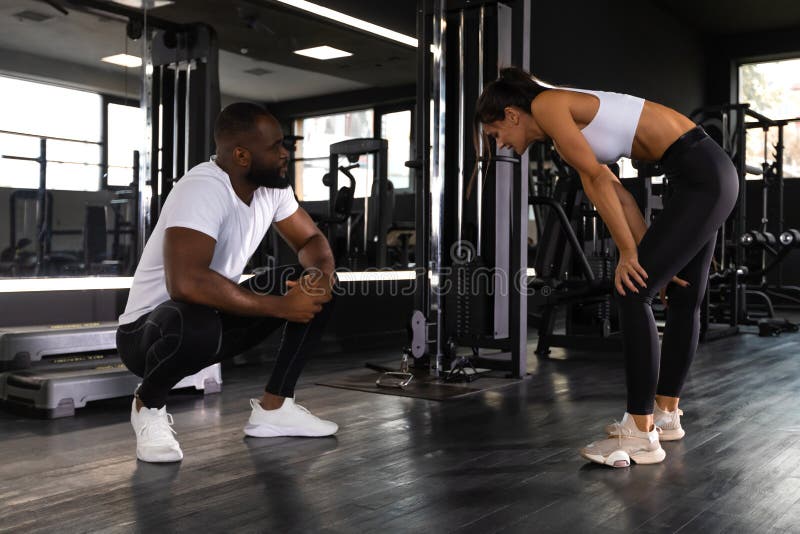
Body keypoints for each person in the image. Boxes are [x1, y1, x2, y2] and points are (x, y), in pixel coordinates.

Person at [474, 67, 738, 467]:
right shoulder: (563, 133)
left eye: (496, 134)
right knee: (681, 294)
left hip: (703, 176)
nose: (503, 144)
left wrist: (630, 257)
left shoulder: (547, 104)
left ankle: (640, 432)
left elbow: (598, 179)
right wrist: (648, 254)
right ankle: (665, 417)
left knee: (632, 292)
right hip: (703, 175)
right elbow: (619, 195)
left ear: (511, 115)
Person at [116, 102, 337, 463]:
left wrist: (318, 277)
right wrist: (283, 307)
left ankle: (275, 408)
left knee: (316, 289)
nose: (285, 154)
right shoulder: (202, 188)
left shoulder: (273, 189)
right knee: (195, 316)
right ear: (241, 155)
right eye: (276, 147)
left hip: (209, 320)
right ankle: (147, 405)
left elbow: (312, 242)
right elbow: (185, 284)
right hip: (147, 335)